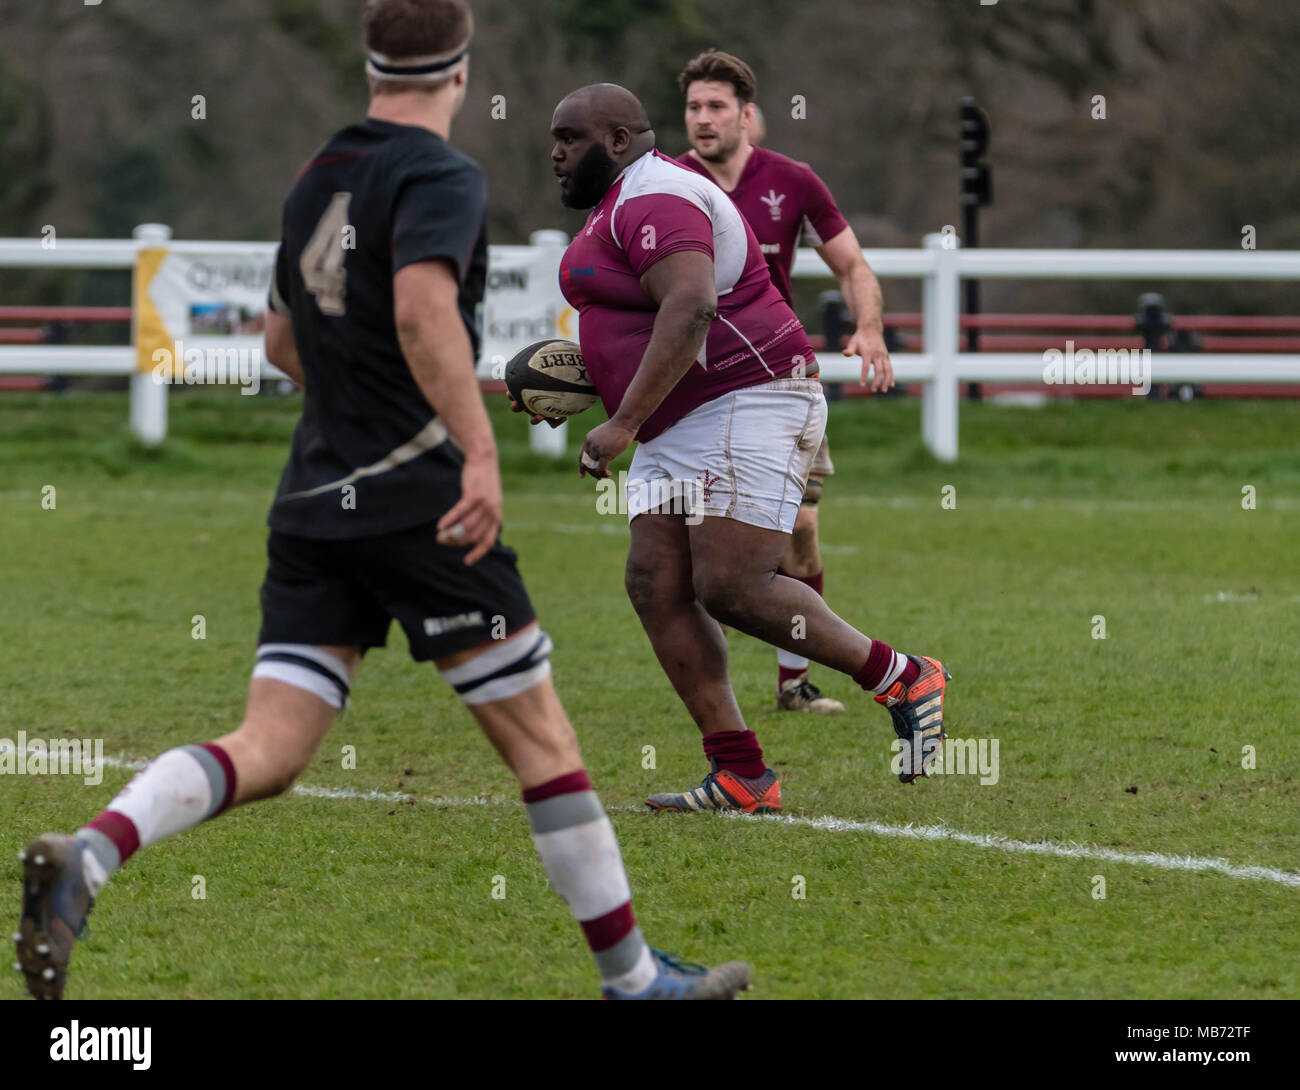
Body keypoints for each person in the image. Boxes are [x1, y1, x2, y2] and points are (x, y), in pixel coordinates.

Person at [13, 0, 748, 1002]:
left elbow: (279, 341)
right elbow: (420, 307)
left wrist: (352, 414)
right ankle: (633, 981)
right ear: (458, 71)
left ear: (370, 67)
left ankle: (90, 856)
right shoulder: (441, 174)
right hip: (419, 499)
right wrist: (477, 453)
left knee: (271, 745)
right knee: (543, 743)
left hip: (313, 492)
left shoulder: (318, 174)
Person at [539, 82, 949, 816]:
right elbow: (634, 318)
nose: (556, 153)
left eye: (571, 138)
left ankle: (903, 676)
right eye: (554, 139)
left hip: (745, 396)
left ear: (622, 141)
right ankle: (741, 773)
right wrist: (570, 379)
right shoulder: (620, 203)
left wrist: (623, 421)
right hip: (684, 414)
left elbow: (691, 305)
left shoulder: (653, 198)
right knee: (655, 581)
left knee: (731, 584)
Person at [677, 50, 894, 716]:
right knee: (683, 548)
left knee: (799, 528)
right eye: (693, 107)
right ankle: (705, 691)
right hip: (691, 386)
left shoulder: (792, 181)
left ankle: (794, 682)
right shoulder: (663, 183)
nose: (703, 119)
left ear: (748, 115)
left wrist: (871, 327)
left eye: (716, 107)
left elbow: (852, 264)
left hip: (778, 381)